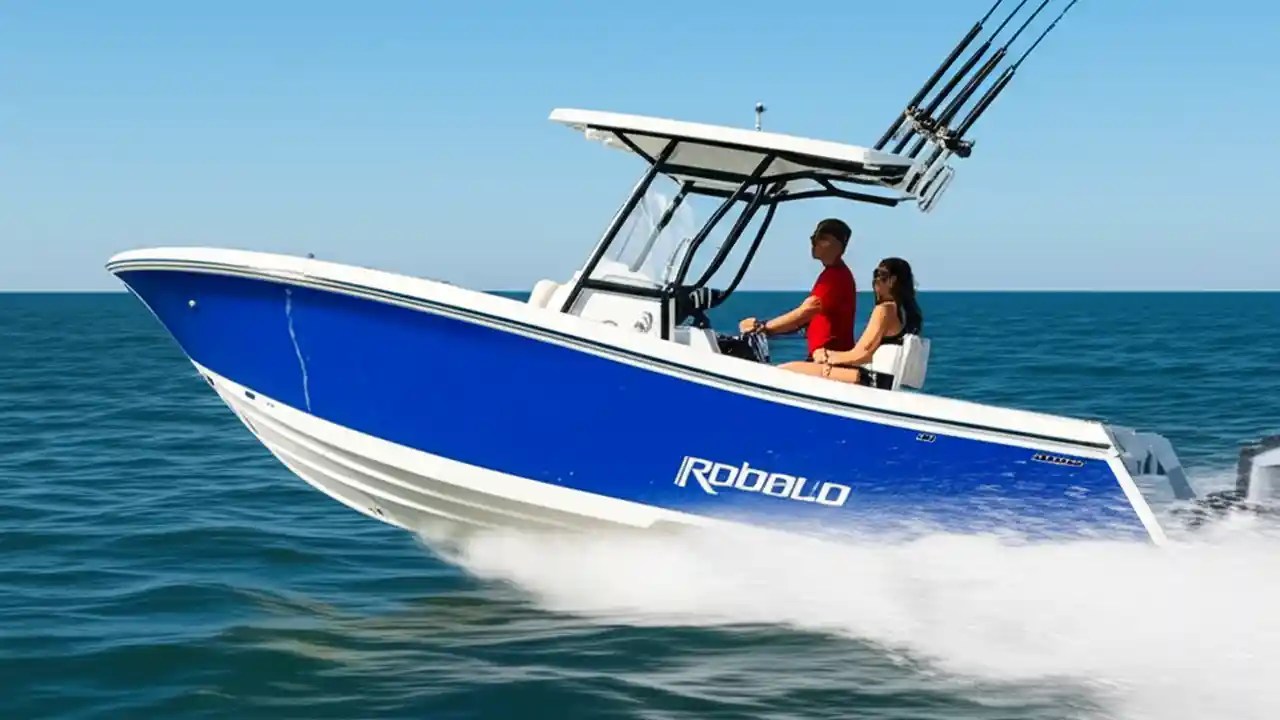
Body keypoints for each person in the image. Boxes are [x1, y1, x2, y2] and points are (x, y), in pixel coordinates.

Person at [781, 257, 923, 388]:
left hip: (868, 379)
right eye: (875, 274)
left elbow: (862, 354)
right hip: (882, 380)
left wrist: (826, 355)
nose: (876, 280)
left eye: (881, 275)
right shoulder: (905, 313)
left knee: (787, 370)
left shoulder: (884, 310)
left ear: (892, 280)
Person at [738, 218, 857, 359]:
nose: (814, 242)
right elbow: (805, 320)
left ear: (840, 246)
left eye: (822, 238)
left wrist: (763, 328)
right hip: (824, 356)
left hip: (828, 358)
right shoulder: (833, 274)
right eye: (814, 237)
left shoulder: (835, 277)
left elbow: (807, 311)